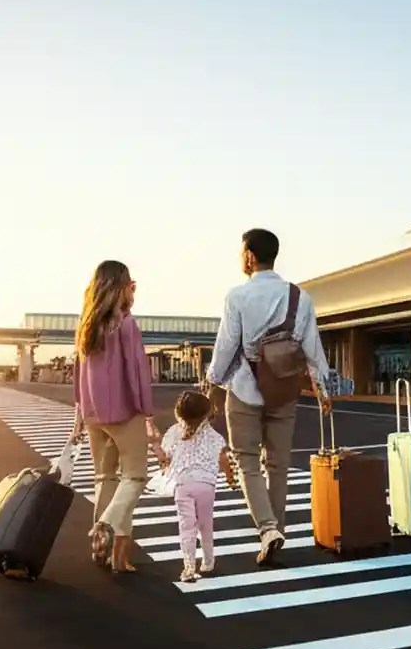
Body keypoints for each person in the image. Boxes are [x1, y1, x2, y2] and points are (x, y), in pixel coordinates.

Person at [206, 228, 332, 567]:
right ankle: (277, 531)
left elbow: (226, 345)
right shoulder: (299, 297)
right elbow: (312, 347)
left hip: (246, 390)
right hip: (284, 390)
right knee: (277, 465)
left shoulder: (237, 297)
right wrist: (323, 387)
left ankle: (267, 529)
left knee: (247, 462)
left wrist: (212, 380)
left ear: (249, 256)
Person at [69, 260, 161, 574]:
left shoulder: (86, 324)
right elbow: (137, 371)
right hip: (125, 412)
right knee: (135, 477)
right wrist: (147, 413)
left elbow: (78, 373)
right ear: (122, 286)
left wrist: (80, 412)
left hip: (94, 414)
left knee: (104, 478)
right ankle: (107, 526)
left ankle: (105, 552)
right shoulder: (125, 324)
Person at [160, 390, 237, 582]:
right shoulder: (213, 436)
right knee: (205, 524)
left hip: (182, 485)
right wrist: (229, 476)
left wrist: (166, 466)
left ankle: (188, 567)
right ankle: (208, 561)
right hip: (206, 485)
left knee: (186, 526)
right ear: (206, 413)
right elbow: (223, 458)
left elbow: (166, 456)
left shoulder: (174, 432)